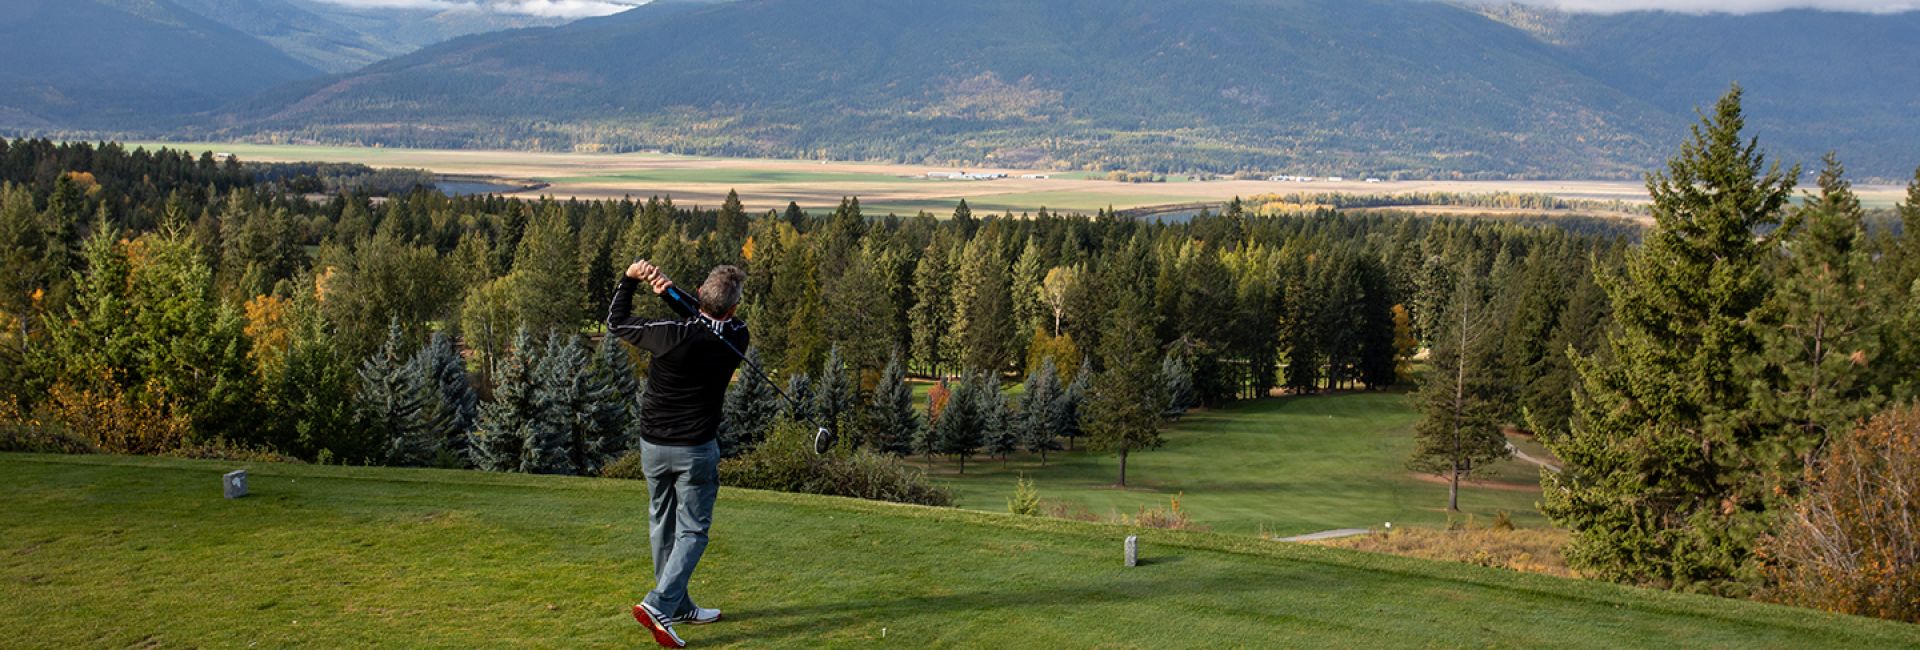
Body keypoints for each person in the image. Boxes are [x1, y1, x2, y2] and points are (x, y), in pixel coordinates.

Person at [607, 260, 750, 649]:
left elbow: (617, 322)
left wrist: (630, 280)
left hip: (653, 446)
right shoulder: (737, 335)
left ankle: (677, 604)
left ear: (701, 294)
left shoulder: (667, 333)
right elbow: (709, 317)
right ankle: (660, 605)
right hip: (696, 450)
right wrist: (669, 292)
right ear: (733, 308)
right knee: (692, 530)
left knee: (663, 522)